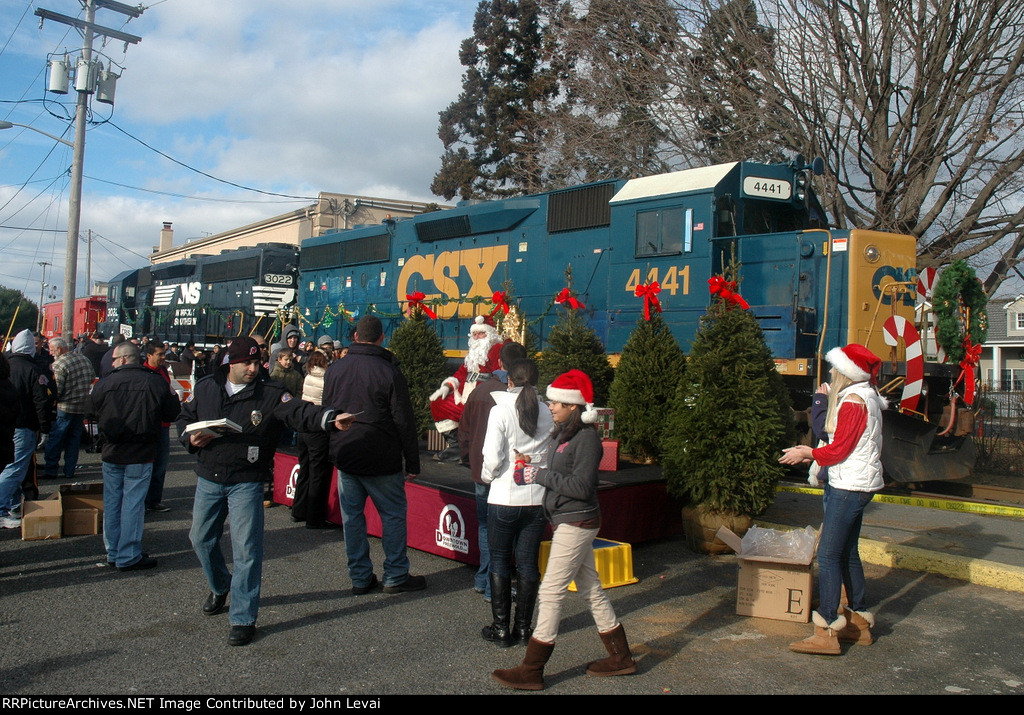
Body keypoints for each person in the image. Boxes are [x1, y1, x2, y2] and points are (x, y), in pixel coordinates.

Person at [177, 336, 351, 647]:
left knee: (247, 550)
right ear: (231, 363)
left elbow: (299, 411)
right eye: (247, 363)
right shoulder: (206, 387)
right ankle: (220, 585)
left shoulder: (270, 392)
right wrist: (188, 439)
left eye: (257, 363)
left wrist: (328, 418)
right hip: (210, 476)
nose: (253, 368)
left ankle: (243, 617)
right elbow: (185, 419)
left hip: (247, 480)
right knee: (200, 539)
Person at [492, 369, 635, 691]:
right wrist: (535, 466)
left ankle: (532, 669)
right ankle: (621, 657)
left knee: (551, 591)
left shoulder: (586, 439)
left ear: (573, 406)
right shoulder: (564, 435)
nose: (550, 405)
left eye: (556, 402)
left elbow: (583, 487)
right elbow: (562, 473)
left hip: (577, 521)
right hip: (571, 520)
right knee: (591, 589)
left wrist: (537, 476)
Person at [779, 344, 886, 655]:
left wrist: (806, 452)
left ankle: (826, 629)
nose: (830, 373)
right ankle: (859, 622)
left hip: (848, 485)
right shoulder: (869, 396)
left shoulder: (853, 401)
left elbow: (839, 450)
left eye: (834, 368)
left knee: (827, 555)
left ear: (846, 373)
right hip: (860, 483)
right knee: (848, 552)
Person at [321, 314, 426, 595]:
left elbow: (326, 413)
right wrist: (412, 461)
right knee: (392, 515)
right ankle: (395, 574)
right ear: (382, 338)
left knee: (353, 517)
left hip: (346, 453)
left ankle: (359, 577)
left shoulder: (335, 369)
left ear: (355, 337)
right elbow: (404, 420)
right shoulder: (390, 372)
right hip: (382, 457)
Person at [479, 358, 554, 647]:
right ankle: (524, 629)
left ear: (509, 380)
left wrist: (490, 477)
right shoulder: (546, 411)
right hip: (536, 498)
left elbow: (493, 458)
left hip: (504, 496)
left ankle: (501, 630)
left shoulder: (500, 411)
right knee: (527, 565)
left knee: (499, 562)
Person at [89, 342, 181, 571]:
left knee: (113, 502)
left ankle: (114, 551)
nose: (111, 362)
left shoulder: (105, 383)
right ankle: (127, 553)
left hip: (113, 450)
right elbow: (172, 412)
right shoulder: (155, 381)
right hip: (141, 451)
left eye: (113, 359)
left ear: (121, 359)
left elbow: (90, 411)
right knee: (132, 503)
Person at [459, 341, 526, 600]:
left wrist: (470, 462)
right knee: (509, 531)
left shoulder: (479, 391)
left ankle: (483, 579)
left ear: (499, 363)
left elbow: (463, 432)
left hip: (481, 472)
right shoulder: (524, 397)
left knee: (487, 526)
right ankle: (493, 586)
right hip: (509, 474)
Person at [429, 315, 504, 462]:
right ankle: (456, 446)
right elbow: (461, 373)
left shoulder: (496, 349)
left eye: (480, 333)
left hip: (482, 396)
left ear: (489, 334)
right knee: (438, 403)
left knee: (472, 415)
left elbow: (498, 374)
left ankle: (470, 450)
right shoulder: (473, 353)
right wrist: (447, 386)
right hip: (464, 395)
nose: (477, 337)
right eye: (474, 334)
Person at [0, 330, 53, 528]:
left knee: (10, 466)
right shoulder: (33, 370)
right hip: (24, 425)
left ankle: (13, 505)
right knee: (15, 468)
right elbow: (42, 401)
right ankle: (2, 508)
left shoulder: (7, 364)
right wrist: (45, 428)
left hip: (8, 424)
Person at [291, 346, 335, 529]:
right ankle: (314, 517)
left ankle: (298, 510)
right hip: (317, 428)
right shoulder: (326, 379)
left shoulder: (308, 376)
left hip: (304, 426)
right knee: (318, 474)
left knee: (305, 469)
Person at [43, 337, 96, 480]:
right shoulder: (83, 359)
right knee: (73, 442)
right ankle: (69, 471)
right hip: (81, 406)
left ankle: (51, 470)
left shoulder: (59, 364)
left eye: (53, 350)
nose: (51, 353)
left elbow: (57, 389)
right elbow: (91, 377)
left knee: (56, 440)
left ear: (59, 349)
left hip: (64, 407)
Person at [142, 340, 179, 513]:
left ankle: (154, 500)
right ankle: (143, 500)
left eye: (164, 354)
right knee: (146, 465)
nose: (163, 357)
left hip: (164, 425)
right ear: (149, 355)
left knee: (161, 465)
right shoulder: (143, 373)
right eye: (160, 354)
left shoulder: (163, 370)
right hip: (149, 426)